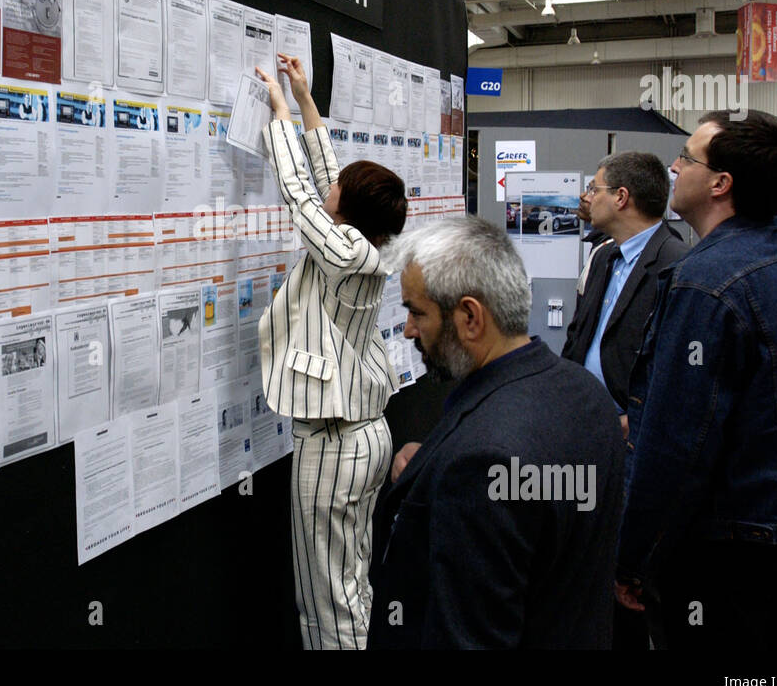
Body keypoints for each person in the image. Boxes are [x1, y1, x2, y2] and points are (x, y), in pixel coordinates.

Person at [615, 111, 777, 650]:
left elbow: (677, 442)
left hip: (716, 540)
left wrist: (635, 556)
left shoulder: (704, 283)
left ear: (720, 183)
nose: (674, 167)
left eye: (686, 158)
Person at [368, 216, 624, 648]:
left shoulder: (482, 461)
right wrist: (435, 461)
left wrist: (455, 466)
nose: (409, 329)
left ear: (470, 317)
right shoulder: (586, 395)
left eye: (417, 312)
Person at [254, 53, 406, 650]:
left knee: (326, 600)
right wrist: (306, 100)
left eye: (340, 189)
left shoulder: (345, 252)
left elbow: (300, 194)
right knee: (351, 582)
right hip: (364, 435)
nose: (331, 187)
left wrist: (280, 113)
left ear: (349, 208)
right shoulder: (364, 243)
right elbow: (327, 179)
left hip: (334, 444)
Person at [563, 152, 688, 417]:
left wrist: (636, 421)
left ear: (621, 197)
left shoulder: (677, 265)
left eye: (594, 189)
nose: (587, 197)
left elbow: (679, 365)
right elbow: (578, 335)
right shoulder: (604, 257)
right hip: (584, 414)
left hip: (633, 429)